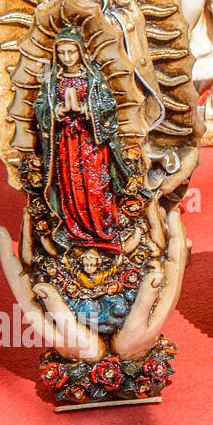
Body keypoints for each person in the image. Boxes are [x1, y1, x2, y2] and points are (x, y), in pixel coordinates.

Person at [32, 28, 137, 255]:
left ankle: (102, 230)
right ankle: (75, 231)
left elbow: (109, 106)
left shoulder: (93, 78)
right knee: (70, 187)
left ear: (80, 52)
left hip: (91, 142)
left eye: (72, 52)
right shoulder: (52, 81)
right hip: (66, 145)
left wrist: (86, 110)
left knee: (94, 185)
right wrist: (57, 110)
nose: (67, 57)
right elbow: (40, 107)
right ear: (56, 54)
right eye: (62, 53)